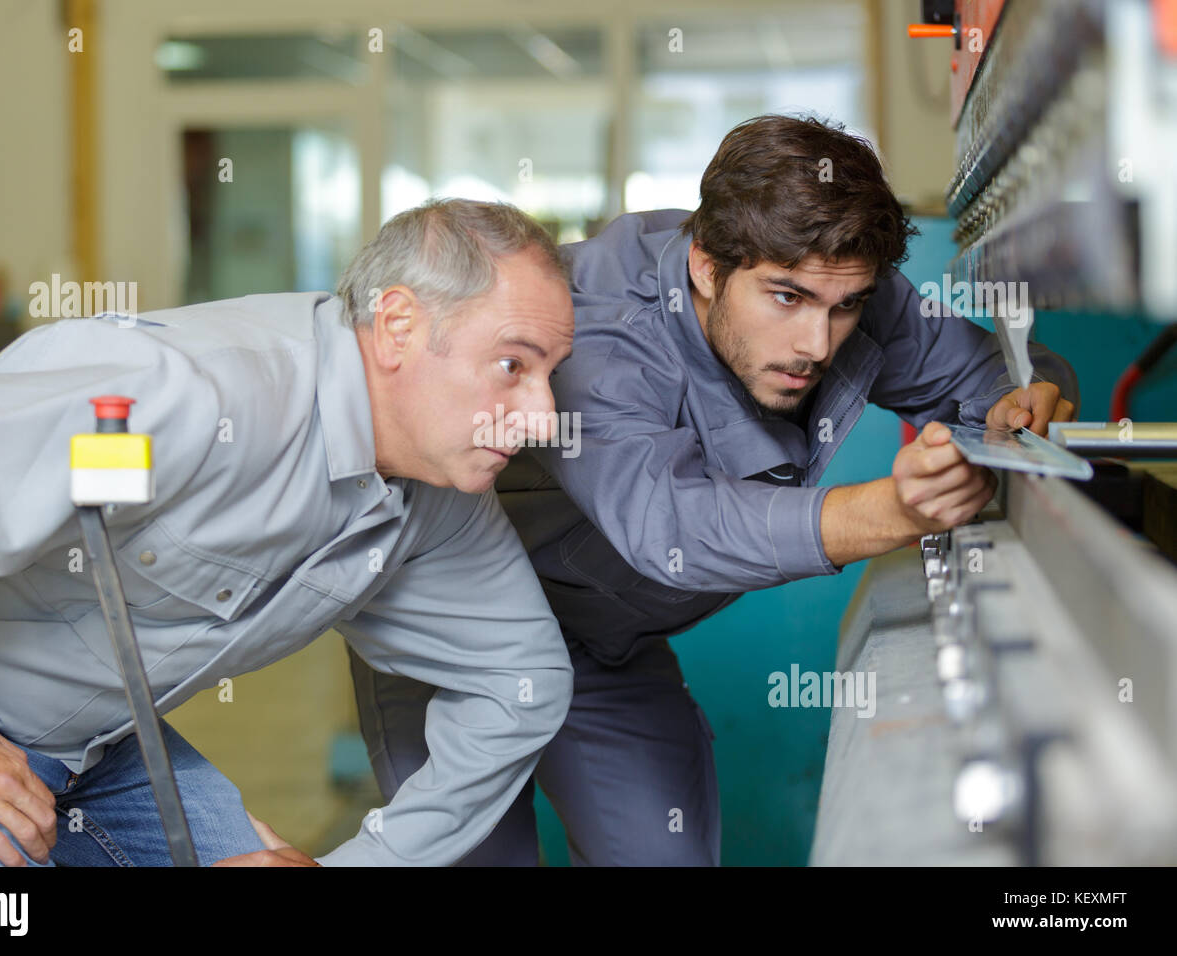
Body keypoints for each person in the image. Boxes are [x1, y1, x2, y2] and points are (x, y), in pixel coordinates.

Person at [347, 114, 1080, 865]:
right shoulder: (594, 329)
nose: (817, 345)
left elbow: (988, 375)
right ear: (705, 266)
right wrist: (889, 511)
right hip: (448, 641)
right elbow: (671, 528)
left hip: (608, 646)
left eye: (846, 306)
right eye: (786, 298)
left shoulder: (842, 286)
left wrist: (1027, 398)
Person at [0, 198, 575, 867]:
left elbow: (521, 680)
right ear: (398, 326)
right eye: (513, 365)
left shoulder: (436, 492)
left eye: (550, 374)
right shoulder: (197, 391)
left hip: (104, 746)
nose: (543, 417)